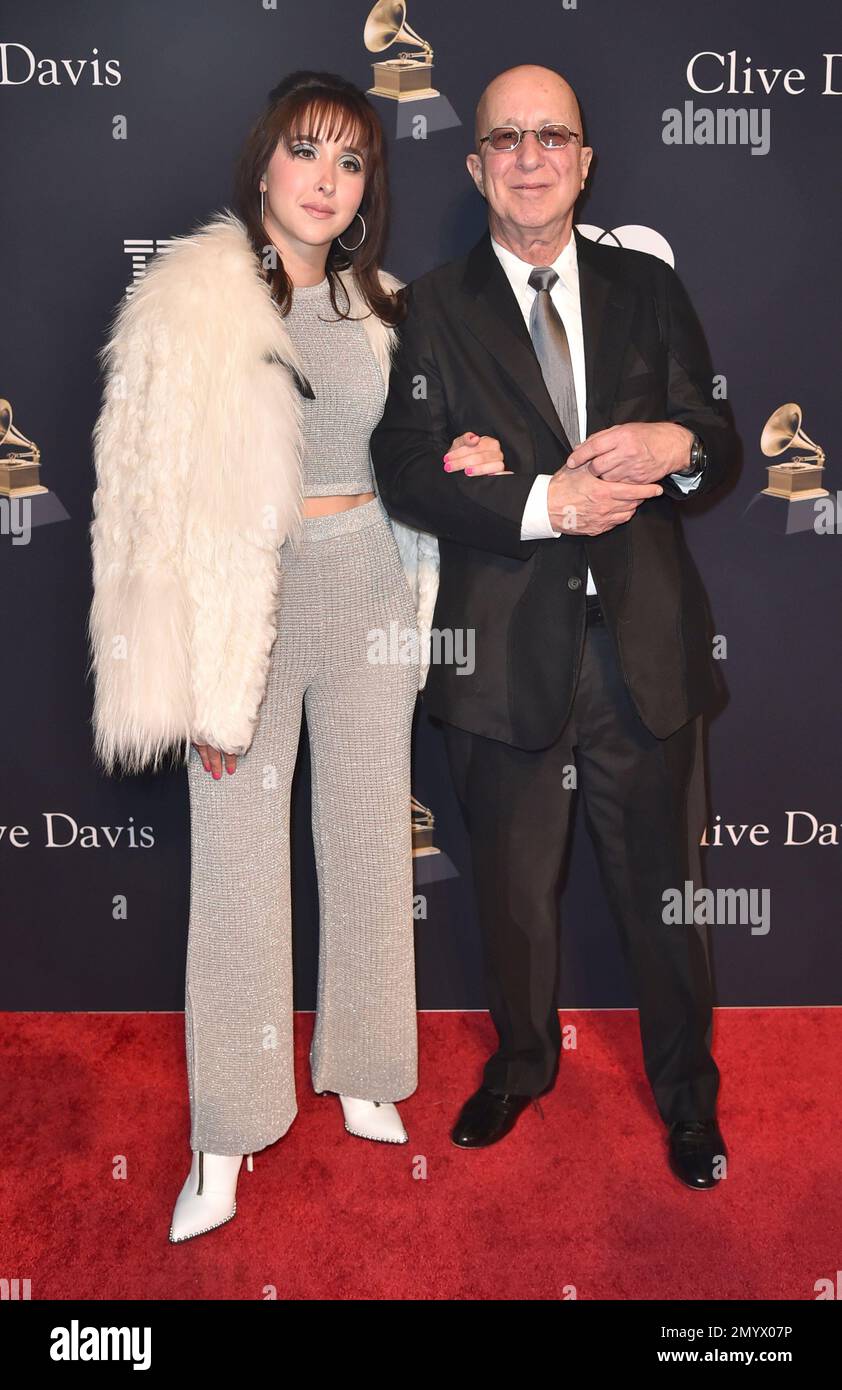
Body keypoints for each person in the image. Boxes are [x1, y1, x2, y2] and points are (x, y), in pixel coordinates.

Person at [370, 64, 740, 1189]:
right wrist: (541, 499)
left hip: (646, 651)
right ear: (476, 164)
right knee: (512, 899)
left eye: (552, 137)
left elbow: (718, 435)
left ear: (583, 161)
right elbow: (403, 470)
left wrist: (676, 449)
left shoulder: (647, 286)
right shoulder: (427, 307)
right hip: (499, 658)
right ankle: (522, 1066)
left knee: (666, 900)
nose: (530, 157)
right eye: (506, 139)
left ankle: (687, 1099)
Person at [86, 70, 440, 1243]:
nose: (327, 181)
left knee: (363, 840)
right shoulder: (188, 299)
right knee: (238, 874)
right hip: (245, 605)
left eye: (350, 163)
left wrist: (465, 459)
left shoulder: (375, 305)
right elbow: (140, 500)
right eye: (307, 152)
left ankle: (365, 1065)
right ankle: (226, 1131)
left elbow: (403, 457)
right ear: (263, 163)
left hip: (363, 586)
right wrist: (177, 667)